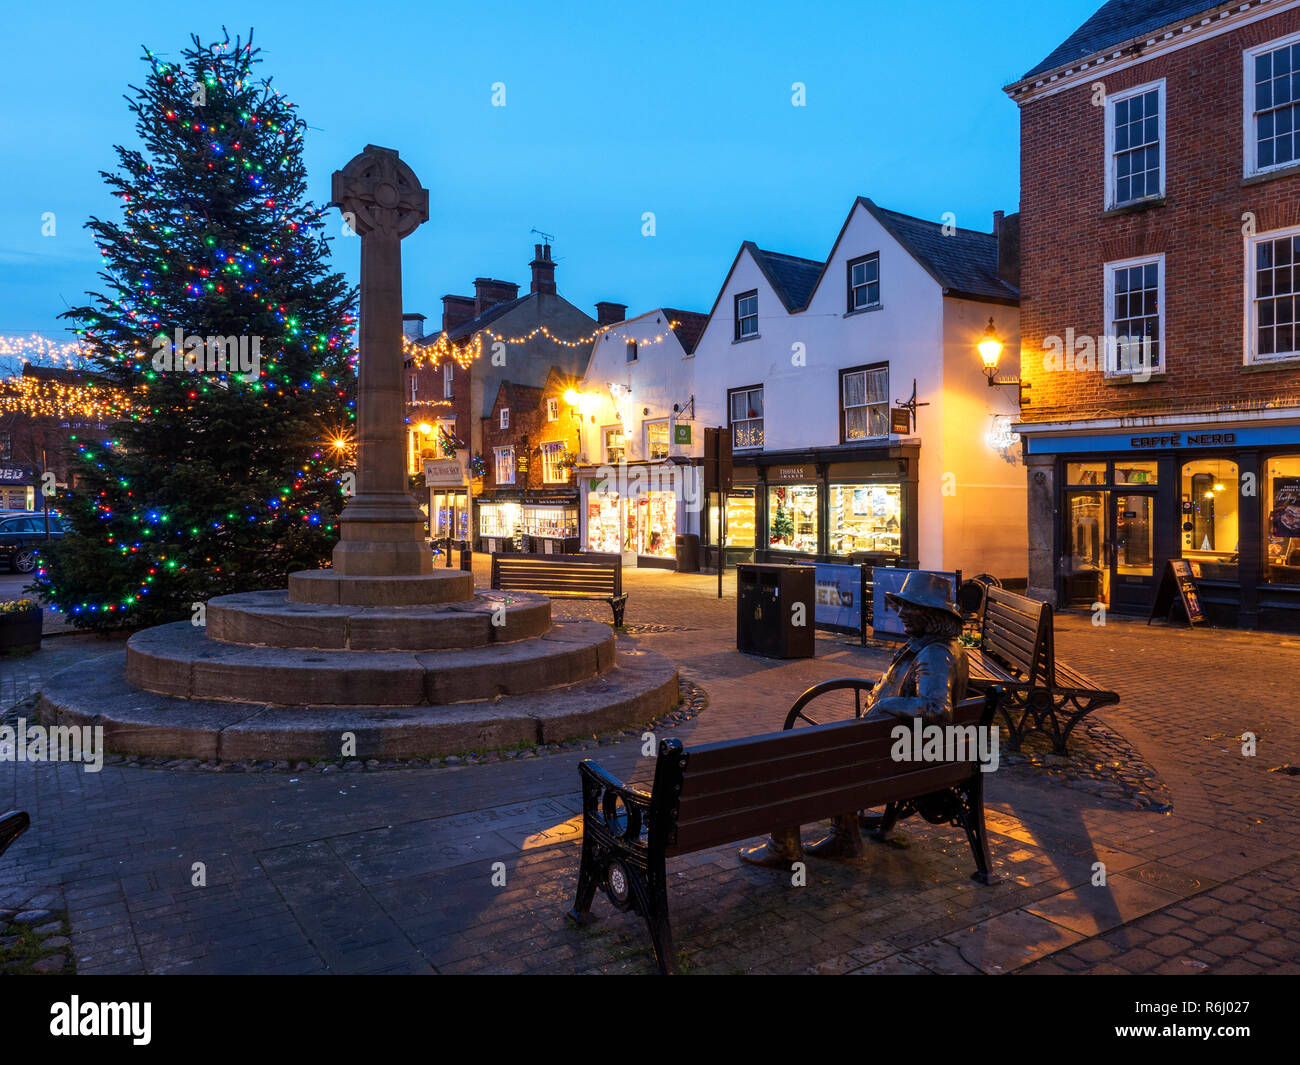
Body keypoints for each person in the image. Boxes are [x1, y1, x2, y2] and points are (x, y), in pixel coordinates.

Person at [739, 570, 969, 867]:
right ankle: (845, 837)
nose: (901, 613)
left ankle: (783, 846)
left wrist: (884, 707)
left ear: (931, 614)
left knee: (789, 759)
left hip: (894, 761)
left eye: (909, 607)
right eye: (901, 605)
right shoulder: (940, 648)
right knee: (837, 745)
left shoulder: (934, 655)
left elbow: (936, 711)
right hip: (907, 754)